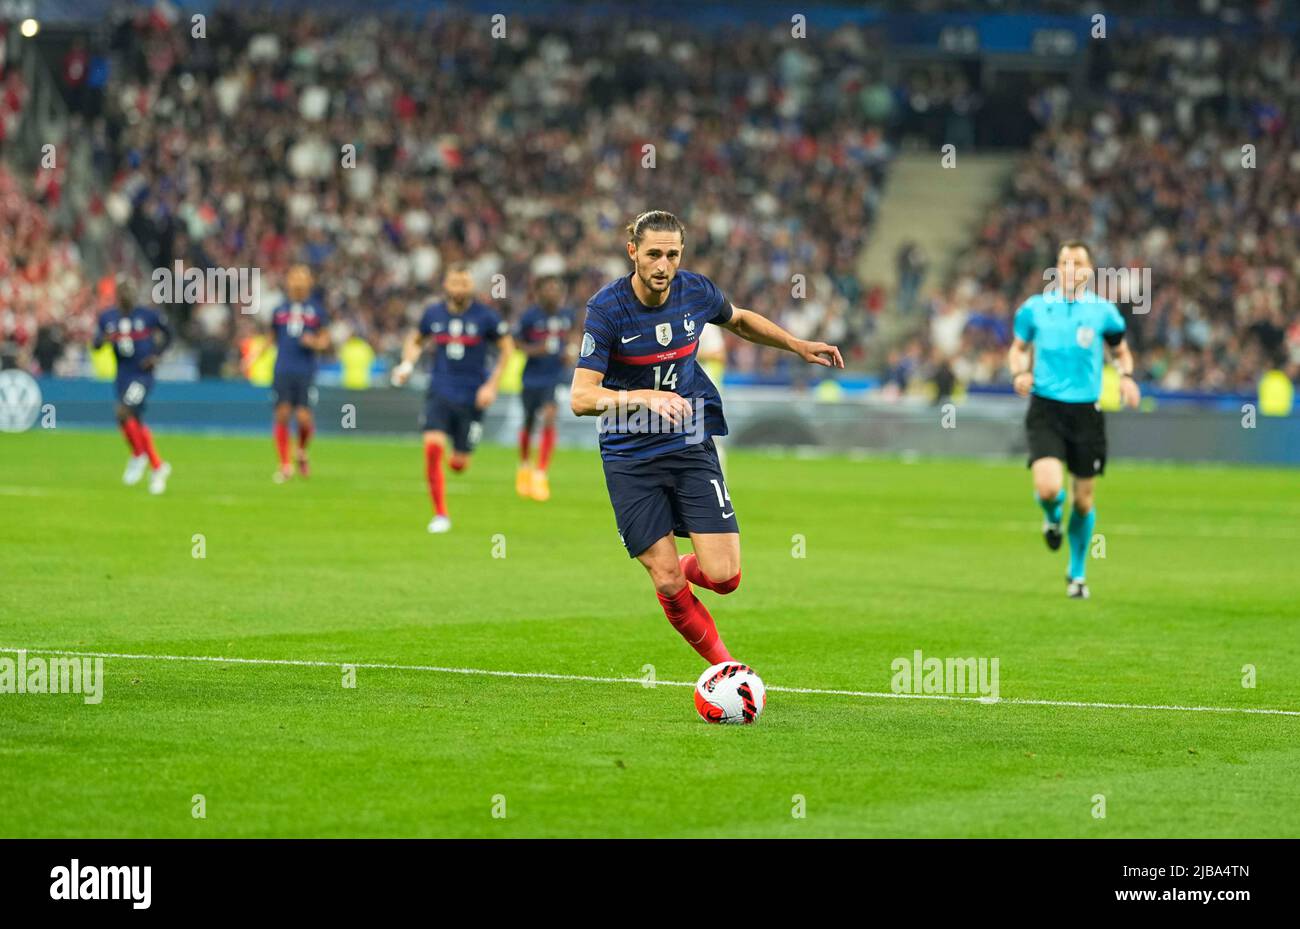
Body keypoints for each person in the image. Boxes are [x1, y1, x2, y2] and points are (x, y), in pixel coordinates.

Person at [570, 211, 843, 663]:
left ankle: (682, 568)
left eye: (672, 254)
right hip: (629, 454)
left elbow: (738, 320)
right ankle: (726, 669)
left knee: (725, 577)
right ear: (632, 251)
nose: (663, 265)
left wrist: (796, 345)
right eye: (653, 253)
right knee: (666, 581)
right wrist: (645, 398)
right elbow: (581, 398)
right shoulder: (607, 309)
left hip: (688, 440)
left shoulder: (696, 291)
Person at [1008, 240, 1141, 599]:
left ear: (1089, 270)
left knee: (1083, 502)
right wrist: (1020, 373)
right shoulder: (1035, 309)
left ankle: (1077, 574)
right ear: (1057, 268)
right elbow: (1018, 349)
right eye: (1064, 262)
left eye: (1078, 263)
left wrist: (1126, 376)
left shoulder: (1104, 313)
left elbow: (1121, 352)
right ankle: (1052, 516)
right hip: (1046, 408)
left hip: (1086, 413)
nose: (1070, 269)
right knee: (1050, 488)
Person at [392, 263, 515, 533]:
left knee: (459, 465)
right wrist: (406, 365)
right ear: (446, 285)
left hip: (472, 396)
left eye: (464, 283)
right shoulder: (433, 313)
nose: (459, 288)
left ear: (471, 286)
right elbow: (415, 340)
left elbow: (507, 349)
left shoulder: (486, 317)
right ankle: (440, 514)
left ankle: (458, 453)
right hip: (440, 391)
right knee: (432, 449)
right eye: (455, 283)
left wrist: (492, 386)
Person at [92, 277, 172, 494]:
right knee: (133, 420)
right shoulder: (108, 317)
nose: (127, 295)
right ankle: (158, 466)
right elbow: (96, 344)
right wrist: (104, 339)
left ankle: (139, 456)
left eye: (130, 290)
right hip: (123, 375)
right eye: (123, 291)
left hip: (142, 375)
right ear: (117, 295)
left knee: (123, 412)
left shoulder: (148, 315)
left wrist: (156, 355)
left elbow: (169, 334)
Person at [514, 274, 576, 501]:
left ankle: (540, 473)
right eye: (548, 289)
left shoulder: (567, 316)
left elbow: (571, 338)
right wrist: (535, 350)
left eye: (556, 289)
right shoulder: (530, 316)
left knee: (550, 416)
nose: (553, 293)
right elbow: (516, 342)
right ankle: (524, 466)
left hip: (555, 377)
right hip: (532, 377)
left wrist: (569, 351)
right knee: (529, 422)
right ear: (539, 292)